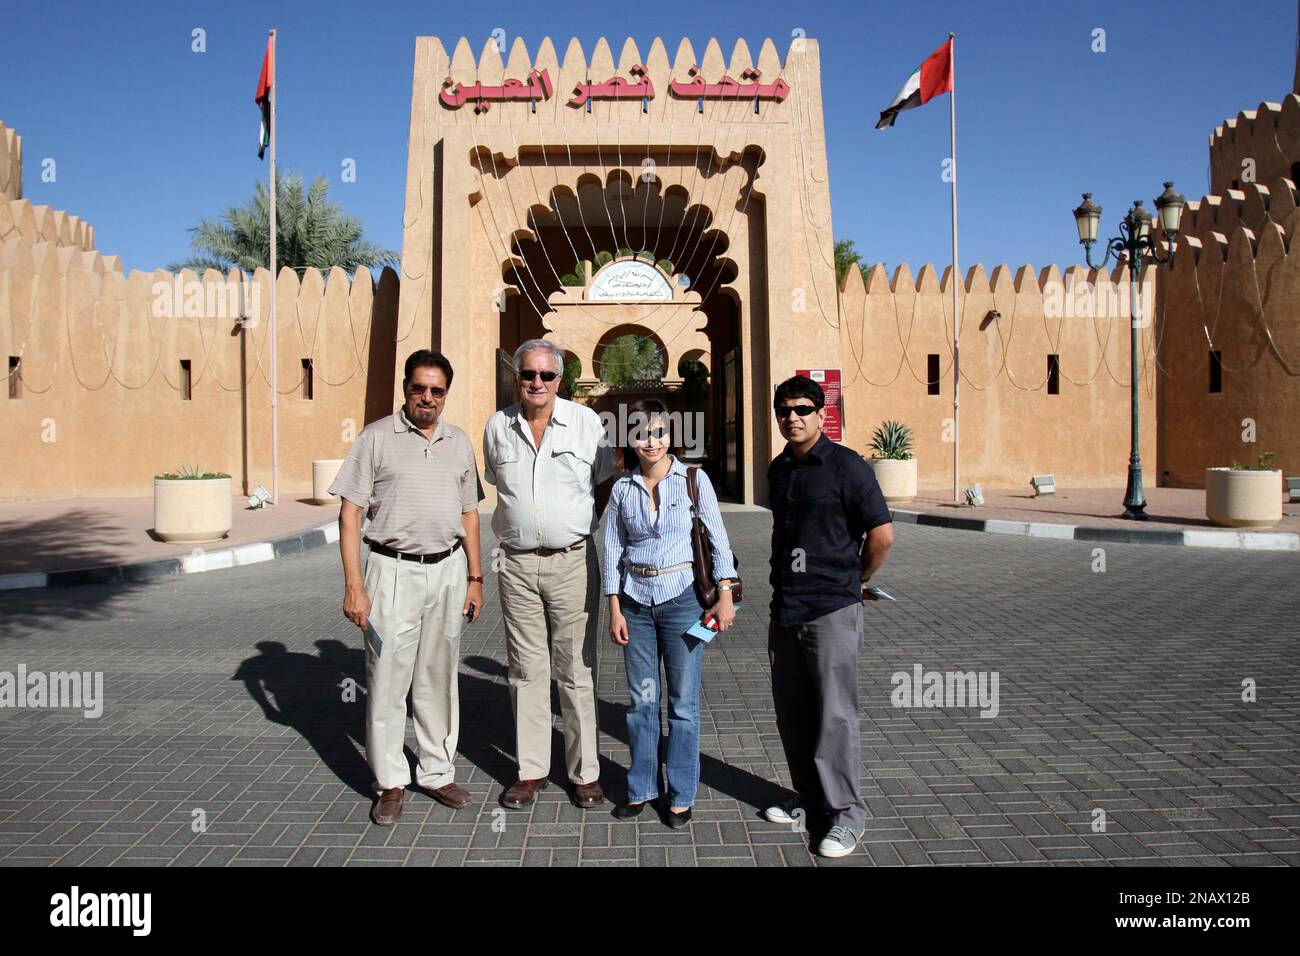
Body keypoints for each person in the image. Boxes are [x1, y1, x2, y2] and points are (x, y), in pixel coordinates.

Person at [329, 349, 484, 826]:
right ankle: (390, 781)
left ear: (446, 395)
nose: (428, 398)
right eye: (419, 388)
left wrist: (476, 578)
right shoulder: (376, 438)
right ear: (405, 388)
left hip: (447, 571)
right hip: (390, 571)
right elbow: (350, 514)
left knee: (438, 678)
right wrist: (354, 585)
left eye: (437, 391)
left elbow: (469, 514)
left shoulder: (459, 442)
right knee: (388, 680)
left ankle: (436, 771)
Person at [482, 339, 616, 810]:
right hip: (516, 564)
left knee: (576, 670)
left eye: (546, 375)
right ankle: (531, 771)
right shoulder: (498, 426)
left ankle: (585, 773)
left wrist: (576, 527)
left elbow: (603, 485)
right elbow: (500, 486)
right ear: (516, 377)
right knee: (525, 670)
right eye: (527, 375)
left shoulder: (586, 425)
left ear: (561, 380)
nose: (536, 383)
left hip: (572, 563)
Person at [763, 375, 894, 858]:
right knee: (793, 713)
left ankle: (846, 815)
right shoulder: (778, 469)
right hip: (787, 607)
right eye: (783, 409)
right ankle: (811, 801)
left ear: (821, 414)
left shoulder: (847, 467)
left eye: (801, 408)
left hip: (832, 609)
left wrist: (852, 579)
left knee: (835, 716)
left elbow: (881, 535)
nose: (791, 417)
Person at [603, 400, 738, 827]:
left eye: (659, 432)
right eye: (641, 433)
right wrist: (614, 608)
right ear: (631, 438)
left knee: (682, 704)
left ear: (670, 435)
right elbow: (611, 550)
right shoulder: (622, 489)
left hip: (683, 603)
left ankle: (680, 794)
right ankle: (642, 788)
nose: (651, 441)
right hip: (636, 605)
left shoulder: (694, 480)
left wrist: (726, 595)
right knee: (642, 703)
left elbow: (718, 539)